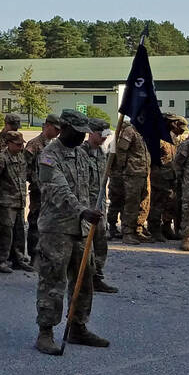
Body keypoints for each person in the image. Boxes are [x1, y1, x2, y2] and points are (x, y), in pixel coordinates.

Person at [34, 110, 108, 355]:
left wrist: (96, 209)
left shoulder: (81, 154)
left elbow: (90, 186)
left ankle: (77, 327)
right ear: (64, 129)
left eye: (84, 133)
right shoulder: (48, 155)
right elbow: (57, 190)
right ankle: (45, 332)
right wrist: (82, 211)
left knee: (84, 280)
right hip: (57, 228)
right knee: (53, 280)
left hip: (81, 228)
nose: (81, 138)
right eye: (77, 133)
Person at [83, 117, 118, 293]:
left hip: (99, 204)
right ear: (90, 132)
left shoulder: (102, 154)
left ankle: (97, 276)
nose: (104, 138)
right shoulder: (81, 152)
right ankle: (82, 277)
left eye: (106, 135)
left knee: (100, 243)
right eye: (101, 134)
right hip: (85, 206)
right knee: (83, 245)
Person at [0, 129, 29, 273]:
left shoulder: (21, 157)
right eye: (17, 144)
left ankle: (18, 259)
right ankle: (0, 260)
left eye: (21, 144)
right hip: (5, 201)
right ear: (9, 143)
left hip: (19, 200)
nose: (20, 147)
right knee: (4, 233)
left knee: (19, 231)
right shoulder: (2, 159)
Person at [26, 114, 61, 261]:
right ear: (47, 126)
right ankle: (34, 255)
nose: (58, 132)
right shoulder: (34, 145)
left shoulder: (54, 145)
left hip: (52, 192)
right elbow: (25, 168)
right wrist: (37, 182)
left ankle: (46, 253)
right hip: (38, 192)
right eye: (55, 128)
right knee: (36, 223)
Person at [113, 119, 152, 243]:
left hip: (144, 173)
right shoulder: (130, 131)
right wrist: (123, 167)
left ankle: (137, 230)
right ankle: (128, 232)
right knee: (131, 203)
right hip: (132, 173)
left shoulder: (144, 132)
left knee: (142, 203)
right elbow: (121, 150)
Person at [149, 115, 186, 242]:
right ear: (171, 123)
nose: (180, 127)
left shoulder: (173, 138)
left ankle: (166, 227)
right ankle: (154, 229)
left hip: (171, 175)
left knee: (170, 204)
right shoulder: (157, 137)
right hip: (159, 177)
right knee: (157, 204)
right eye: (177, 124)